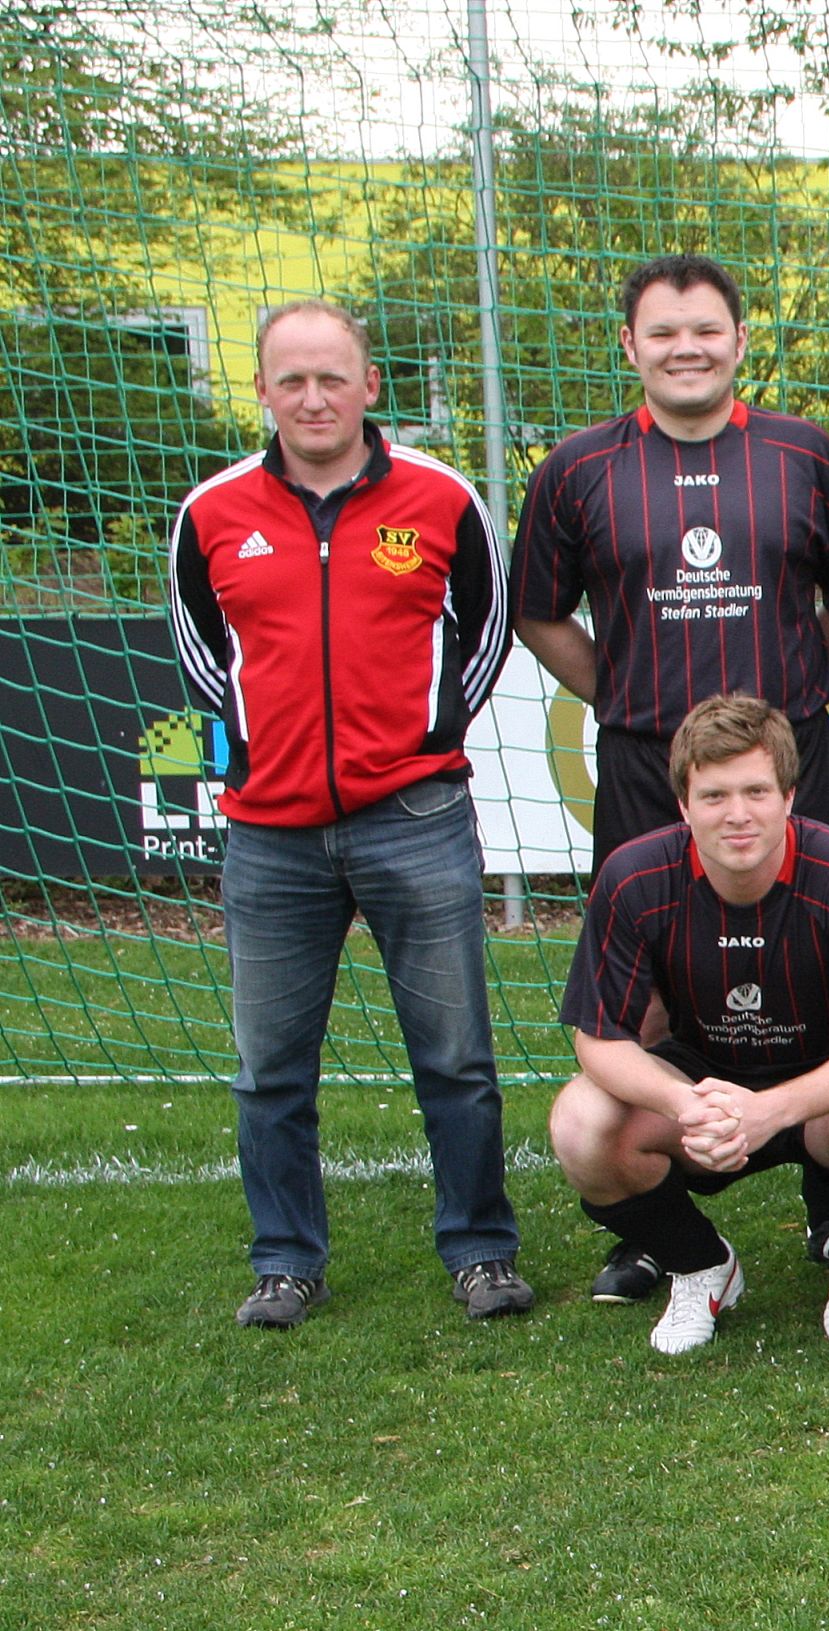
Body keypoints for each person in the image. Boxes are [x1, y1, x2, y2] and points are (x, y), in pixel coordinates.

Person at [168, 299, 530, 1329]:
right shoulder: (211, 513)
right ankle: (286, 1259)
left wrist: (424, 735)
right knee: (268, 1068)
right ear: (263, 392)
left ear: (371, 386)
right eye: (293, 379)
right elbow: (202, 648)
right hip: (269, 833)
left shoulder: (443, 498)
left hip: (413, 817)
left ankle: (481, 1249)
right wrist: (259, 736)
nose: (314, 396)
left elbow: (485, 630)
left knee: (455, 1055)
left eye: (334, 376)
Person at [512, 253, 829, 1302]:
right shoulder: (576, 469)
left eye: (706, 329)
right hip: (640, 766)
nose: (686, 347)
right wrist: (624, 694)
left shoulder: (806, 455)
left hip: (788, 764)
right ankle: (654, 1226)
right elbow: (538, 609)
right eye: (663, 333)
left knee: (820, 971)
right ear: (629, 347)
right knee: (648, 992)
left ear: (740, 339)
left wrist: (776, 719)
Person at [547, 695, 829, 1355]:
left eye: (756, 790)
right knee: (580, 1123)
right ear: (682, 803)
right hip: (699, 1093)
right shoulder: (632, 876)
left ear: (790, 794)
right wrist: (684, 1100)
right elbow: (598, 1036)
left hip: (822, 1097)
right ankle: (699, 1265)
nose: (737, 814)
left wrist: (770, 1109)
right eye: (714, 795)